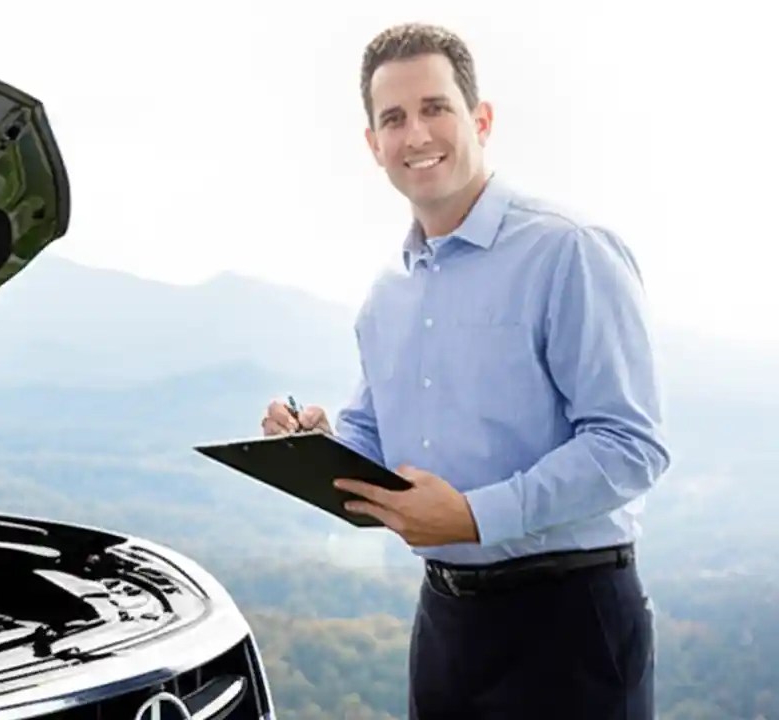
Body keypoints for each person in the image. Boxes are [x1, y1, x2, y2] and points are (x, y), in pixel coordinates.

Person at [260, 22, 670, 720]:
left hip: (571, 625)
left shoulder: (569, 251)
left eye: (434, 108)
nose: (415, 134)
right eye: (393, 118)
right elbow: (377, 434)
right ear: (373, 146)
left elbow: (631, 447)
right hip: (445, 624)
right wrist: (316, 444)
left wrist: (475, 516)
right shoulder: (388, 291)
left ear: (480, 119)